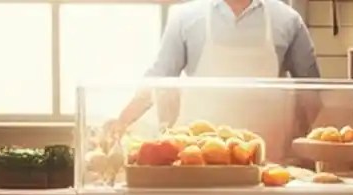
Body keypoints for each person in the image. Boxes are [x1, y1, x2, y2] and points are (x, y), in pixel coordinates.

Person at [106, 0, 322, 160]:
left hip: (266, 161)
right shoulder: (185, 17)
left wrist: (305, 151)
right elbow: (158, 79)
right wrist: (122, 121)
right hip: (198, 160)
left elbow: (311, 93)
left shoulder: (288, 19)